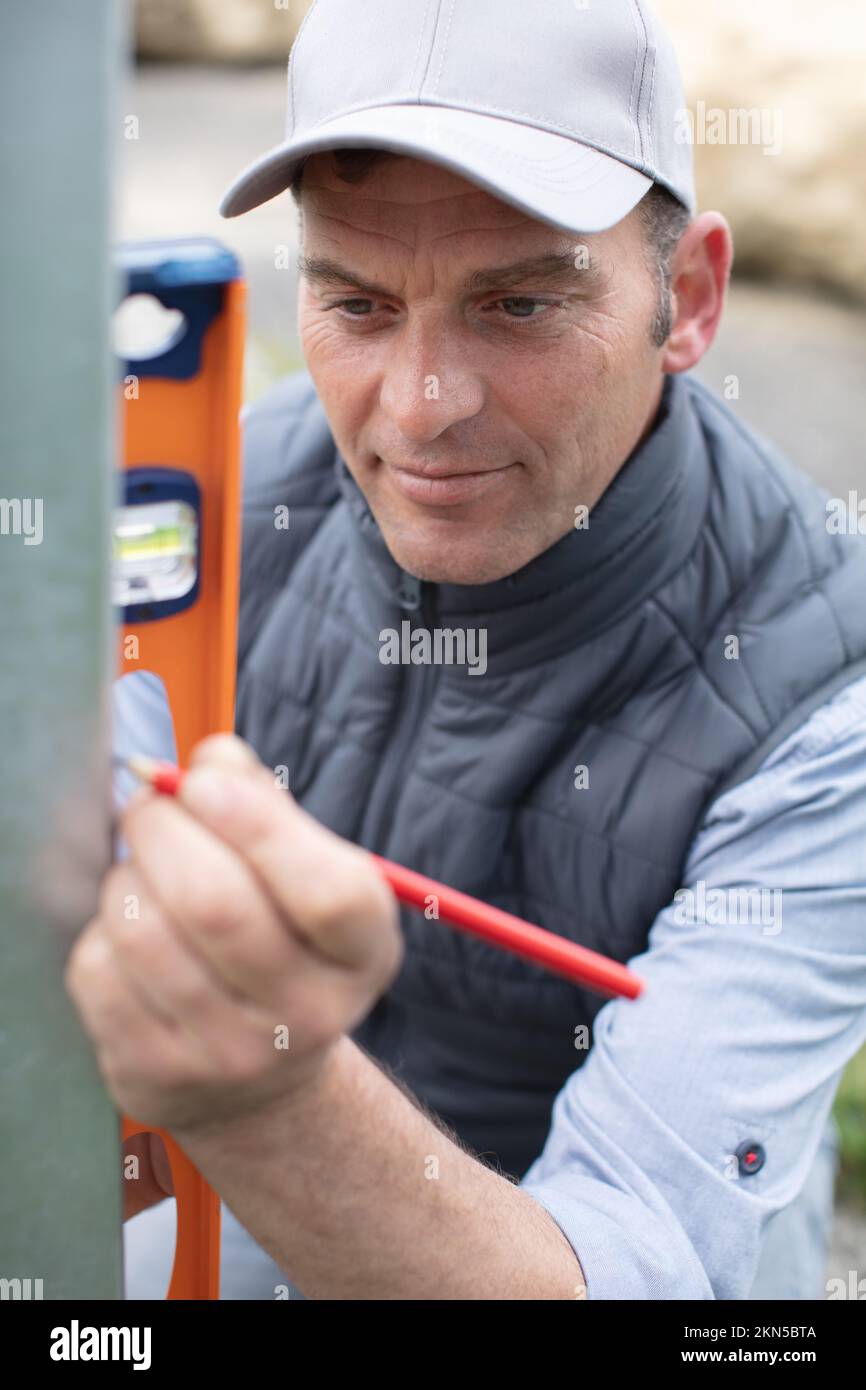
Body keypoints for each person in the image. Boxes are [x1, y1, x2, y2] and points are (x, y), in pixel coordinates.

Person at [73, 0, 866, 1300]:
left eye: (518, 304)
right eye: (358, 303)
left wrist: (265, 1091)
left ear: (690, 296)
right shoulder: (220, 496)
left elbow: (622, 1267)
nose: (421, 407)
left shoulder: (823, 705)